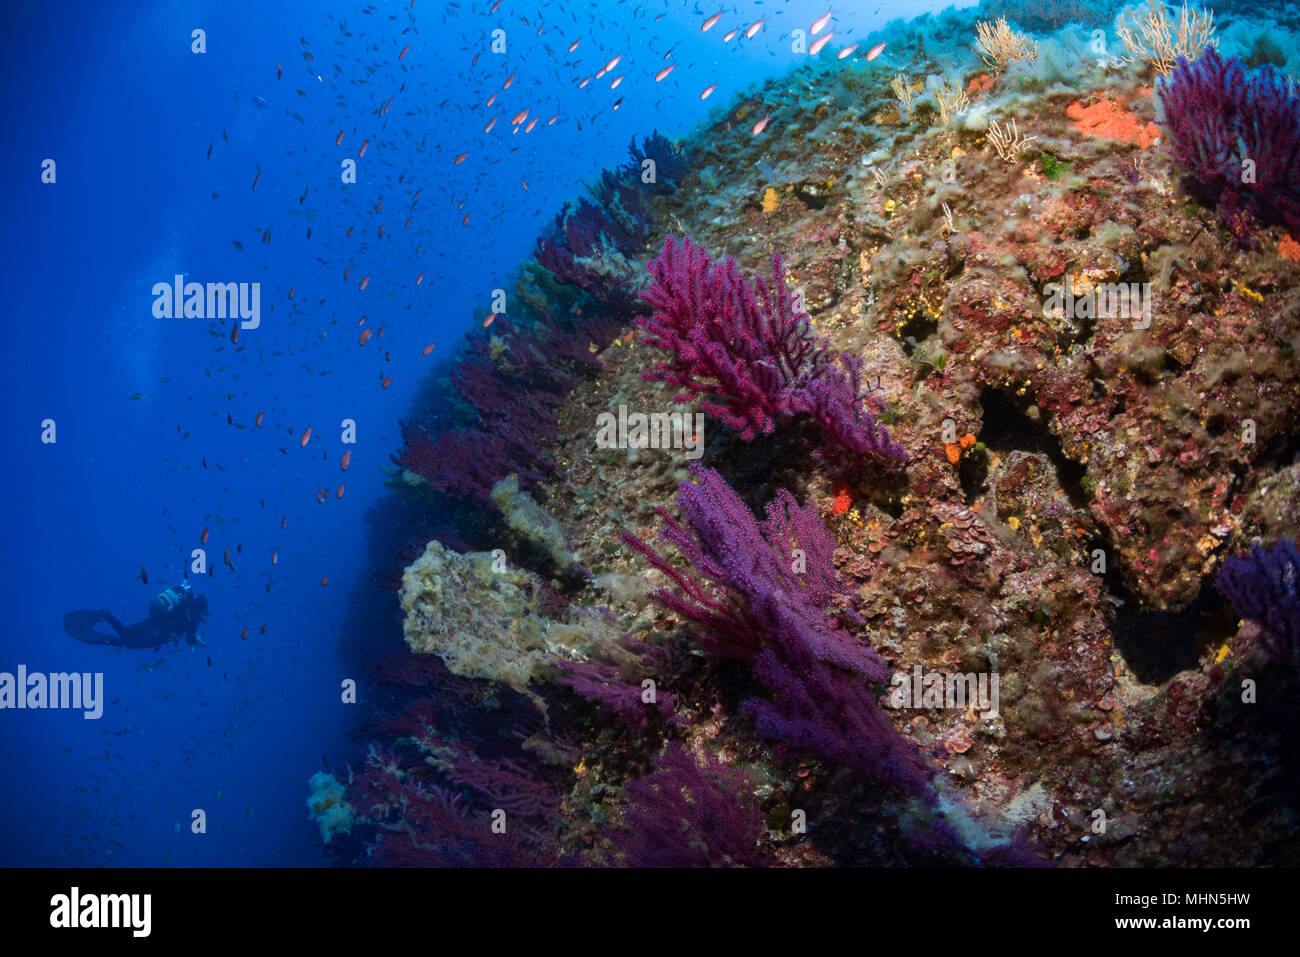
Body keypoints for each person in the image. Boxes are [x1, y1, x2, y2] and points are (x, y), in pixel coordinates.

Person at [64, 581, 209, 649]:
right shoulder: (194, 612)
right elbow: (190, 638)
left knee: (126, 632)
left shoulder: (186, 604)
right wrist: (199, 641)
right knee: (131, 643)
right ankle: (109, 640)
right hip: (163, 632)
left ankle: (106, 615)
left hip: (156, 620)